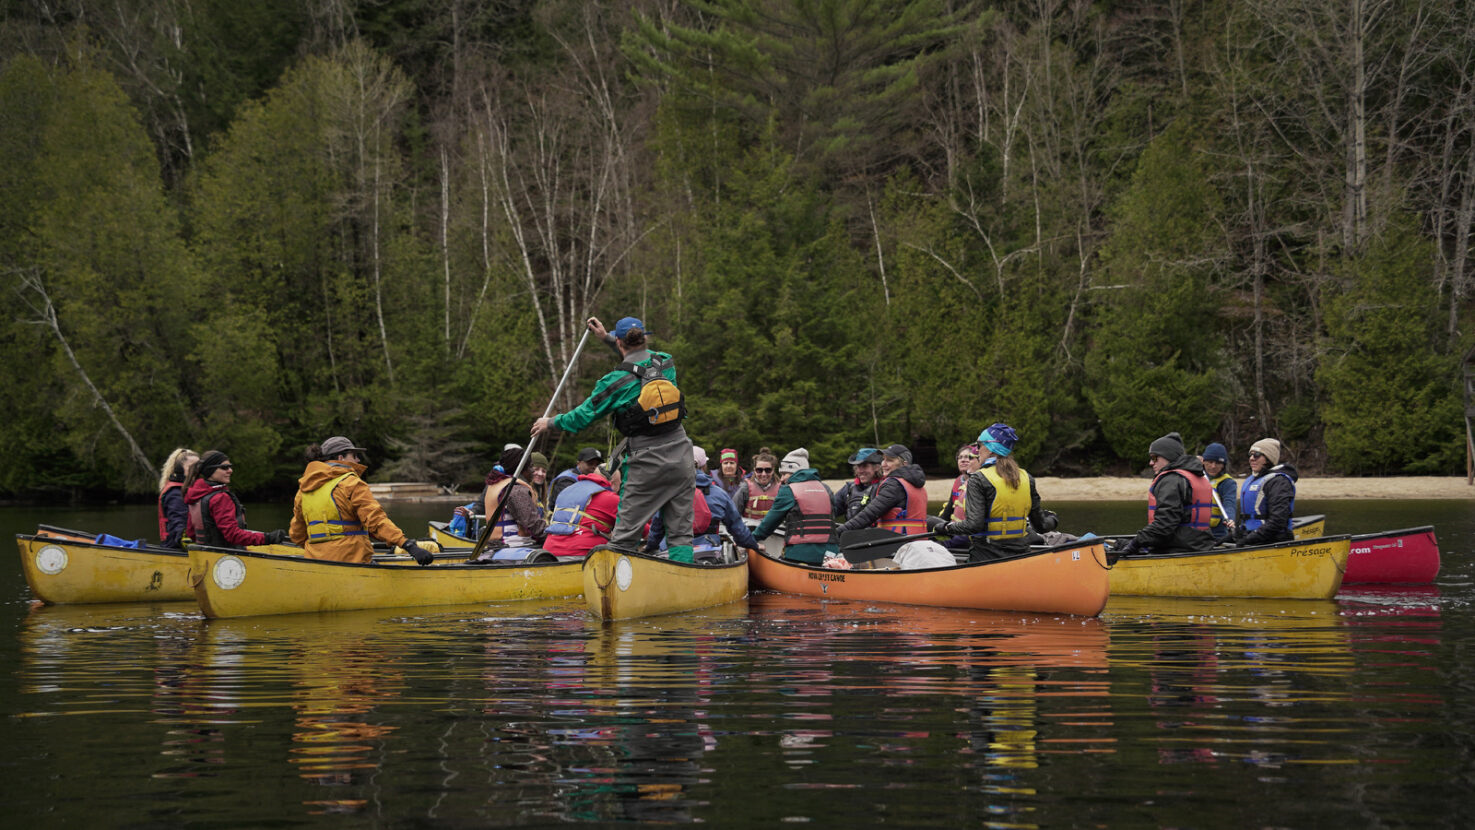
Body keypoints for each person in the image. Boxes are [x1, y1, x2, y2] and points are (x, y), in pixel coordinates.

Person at [531, 316, 697, 562]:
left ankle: (618, 591)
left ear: (620, 342)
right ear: (644, 337)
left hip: (646, 462)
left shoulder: (613, 381)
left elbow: (583, 417)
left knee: (625, 536)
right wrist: (607, 339)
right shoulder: (665, 362)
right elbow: (640, 362)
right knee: (680, 534)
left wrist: (551, 422)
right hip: (682, 456)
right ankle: (685, 586)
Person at [289, 436, 433, 565]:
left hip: (315, 562)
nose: (358, 460)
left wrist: (321, 549)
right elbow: (376, 520)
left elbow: (297, 535)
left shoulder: (303, 490)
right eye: (354, 455)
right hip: (352, 560)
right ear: (341, 458)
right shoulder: (351, 483)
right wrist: (407, 545)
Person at [930, 425, 1052, 562]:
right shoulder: (1027, 477)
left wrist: (946, 528)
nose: (976, 450)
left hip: (986, 556)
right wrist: (1053, 519)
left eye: (978, 445)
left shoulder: (978, 479)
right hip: (1020, 554)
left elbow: (973, 526)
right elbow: (1041, 526)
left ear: (990, 450)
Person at [1114, 432, 1215, 557]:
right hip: (1199, 545)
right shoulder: (1195, 475)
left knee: (1122, 545)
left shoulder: (1171, 479)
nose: (1151, 463)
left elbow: (1165, 524)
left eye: (1155, 458)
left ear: (1169, 457)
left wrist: (1135, 543)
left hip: (1178, 549)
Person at [647, 446, 759, 556]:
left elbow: (657, 528)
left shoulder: (669, 492)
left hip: (671, 551)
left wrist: (650, 548)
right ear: (704, 466)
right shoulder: (720, 494)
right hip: (708, 553)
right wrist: (753, 546)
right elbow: (737, 528)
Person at [185, 450, 288, 550]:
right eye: (225, 467)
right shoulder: (220, 498)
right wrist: (268, 538)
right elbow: (232, 535)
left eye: (230, 467)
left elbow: (191, 533)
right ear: (209, 470)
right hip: (226, 559)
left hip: (205, 555)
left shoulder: (195, 495)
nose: (230, 470)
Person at [752, 448, 839, 564]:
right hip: (830, 555)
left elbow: (769, 523)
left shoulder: (789, 490)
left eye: (784, 474)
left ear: (795, 472)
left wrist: (749, 540)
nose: (781, 479)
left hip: (799, 555)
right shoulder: (826, 488)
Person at [472, 446, 548, 561]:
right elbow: (533, 525)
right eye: (531, 466)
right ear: (522, 468)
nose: (533, 470)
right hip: (513, 547)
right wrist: (555, 537)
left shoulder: (496, 484)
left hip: (495, 546)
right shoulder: (516, 490)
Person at [837, 444, 929, 535]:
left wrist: (837, 532)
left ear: (904, 464)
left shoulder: (894, 485)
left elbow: (868, 515)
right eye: (883, 459)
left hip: (896, 544)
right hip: (915, 540)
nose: (883, 464)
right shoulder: (915, 483)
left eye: (889, 460)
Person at [543, 468, 620, 559]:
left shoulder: (567, 490)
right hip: (582, 555)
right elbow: (636, 527)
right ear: (613, 483)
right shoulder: (611, 498)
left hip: (548, 552)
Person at [1235, 438, 1298, 546]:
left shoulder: (1279, 482)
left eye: (1257, 455)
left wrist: (1253, 537)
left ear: (1269, 459)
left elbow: (1278, 520)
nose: (1251, 458)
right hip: (1254, 538)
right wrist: (1238, 534)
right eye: (1250, 455)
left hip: (1273, 540)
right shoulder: (1253, 479)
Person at [156, 447, 198, 548]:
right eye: (192, 468)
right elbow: (178, 522)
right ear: (180, 470)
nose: (197, 471)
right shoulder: (175, 493)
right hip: (175, 547)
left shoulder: (191, 490)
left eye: (198, 467)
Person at [831, 447, 884, 519]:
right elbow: (831, 510)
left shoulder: (885, 487)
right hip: (850, 529)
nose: (860, 471)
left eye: (865, 466)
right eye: (858, 466)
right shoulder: (848, 488)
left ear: (877, 467)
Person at [1201, 442, 1238, 542]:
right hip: (1197, 529)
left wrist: (1230, 518)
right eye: (1210, 462)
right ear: (1203, 462)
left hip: (1218, 531)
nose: (1213, 466)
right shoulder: (1196, 478)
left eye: (1218, 463)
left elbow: (1229, 503)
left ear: (1223, 465)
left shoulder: (1227, 483)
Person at [737, 448, 781, 525]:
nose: (763, 474)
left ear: (773, 470)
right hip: (750, 531)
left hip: (776, 532)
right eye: (759, 470)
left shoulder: (781, 488)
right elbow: (734, 514)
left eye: (768, 470)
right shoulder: (745, 488)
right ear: (754, 470)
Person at [940, 444, 981, 521]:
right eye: (960, 457)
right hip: (957, 528)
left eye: (967, 457)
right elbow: (948, 510)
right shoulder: (958, 482)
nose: (963, 460)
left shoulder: (980, 481)